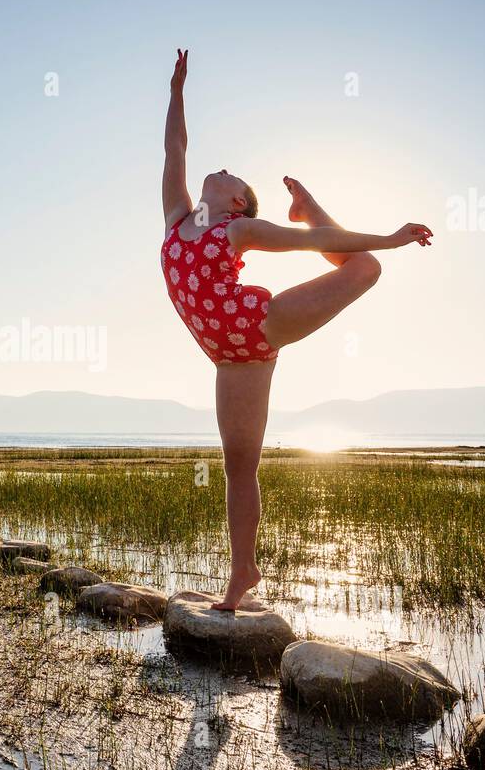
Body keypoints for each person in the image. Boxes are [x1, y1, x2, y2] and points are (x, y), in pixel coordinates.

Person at [160, 49, 432, 610]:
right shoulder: (178, 217)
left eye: (235, 175)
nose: (226, 165)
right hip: (229, 360)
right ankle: (242, 575)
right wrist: (177, 91)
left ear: (237, 199)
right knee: (239, 466)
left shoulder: (240, 228)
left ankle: (313, 208)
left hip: (259, 328)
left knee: (366, 268)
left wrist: (391, 236)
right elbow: (175, 148)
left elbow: (310, 249)